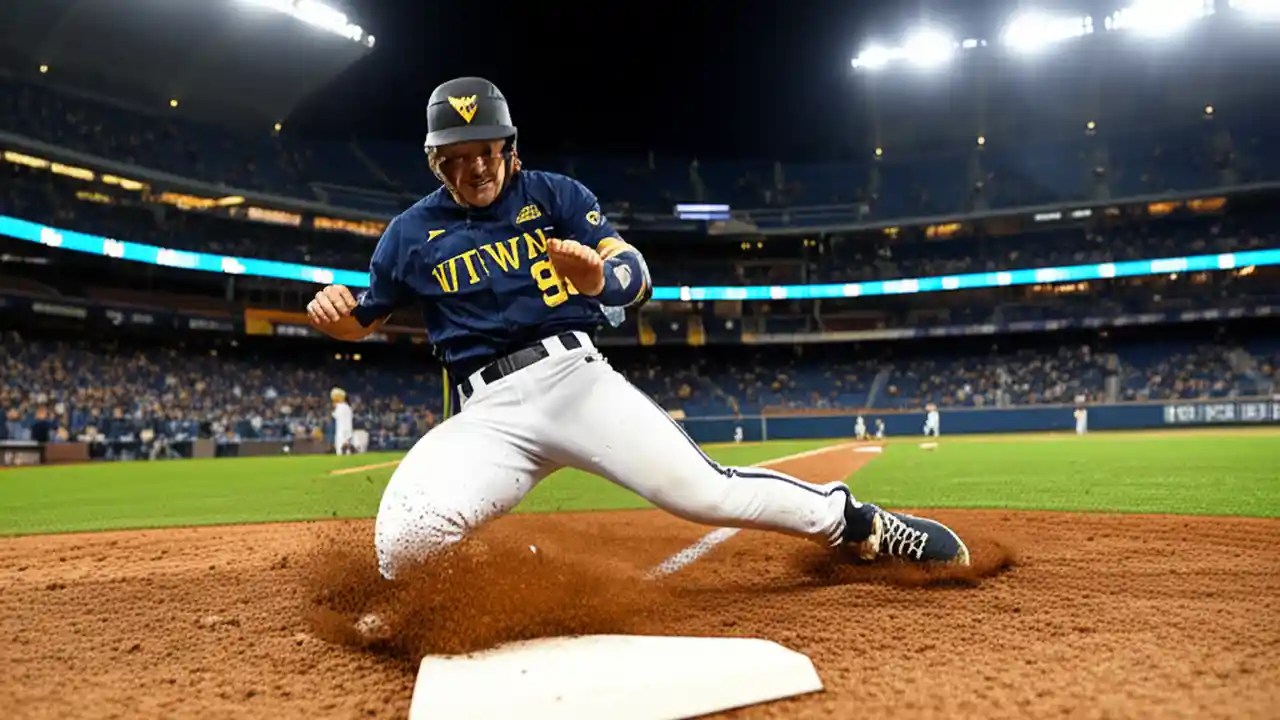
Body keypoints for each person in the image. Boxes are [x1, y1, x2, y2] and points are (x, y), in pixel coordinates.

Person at [305, 77, 969, 579]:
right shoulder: (409, 235)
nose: (475, 167)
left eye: (488, 151)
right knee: (404, 542)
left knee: (702, 493)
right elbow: (367, 317)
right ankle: (522, 580)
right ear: (434, 160)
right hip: (487, 414)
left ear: (510, 148)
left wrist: (596, 281)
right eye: (457, 155)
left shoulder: (554, 196)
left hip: (573, 381)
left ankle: (851, 521)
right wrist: (337, 316)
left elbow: (636, 274)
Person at [331, 387, 354, 455]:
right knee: (345, 454)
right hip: (345, 433)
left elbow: (345, 423)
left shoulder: (340, 407)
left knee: (342, 453)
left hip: (343, 434)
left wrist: (346, 438)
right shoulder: (347, 407)